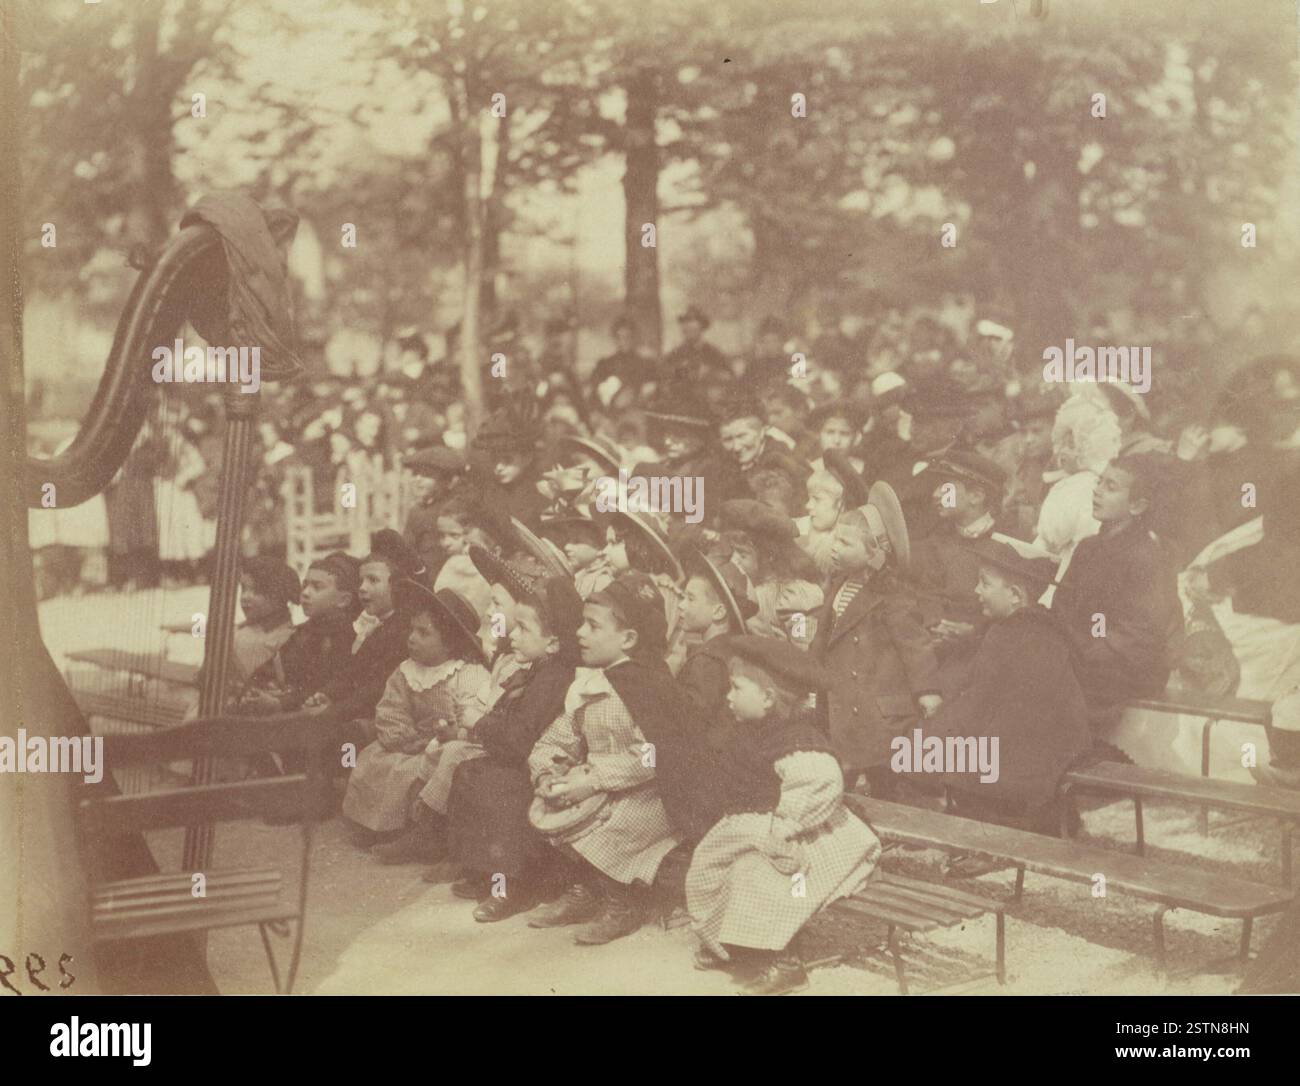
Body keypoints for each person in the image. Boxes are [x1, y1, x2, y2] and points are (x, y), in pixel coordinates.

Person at [686, 635, 882, 995]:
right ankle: (729, 942)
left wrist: (786, 825)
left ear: (768, 697)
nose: (727, 696)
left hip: (809, 835)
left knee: (763, 879)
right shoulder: (748, 731)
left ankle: (785, 961)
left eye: (735, 687)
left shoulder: (796, 740)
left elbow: (820, 783)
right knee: (710, 866)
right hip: (758, 827)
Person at [903, 539, 1092, 853]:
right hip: (1043, 738)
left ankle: (992, 827)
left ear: (1015, 596)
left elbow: (984, 704)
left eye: (985, 584)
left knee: (929, 745)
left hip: (1037, 744)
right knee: (938, 740)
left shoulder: (1016, 635)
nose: (977, 591)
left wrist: (934, 732)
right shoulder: (1025, 628)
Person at [525, 573, 682, 945]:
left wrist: (593, 780)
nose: (580, 633)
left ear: (628, 639)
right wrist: (549, 769)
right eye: (582, 623)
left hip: (650, 791)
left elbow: (652, 754)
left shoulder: (651, 687)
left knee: (617, 821)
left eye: (593, 626)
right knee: (557, 808)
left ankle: (624, 901)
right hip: (598, 783)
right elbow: (559, 736)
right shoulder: (592, 684)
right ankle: (587, 890)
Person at [444, 574, 584, 920]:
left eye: (523, 628)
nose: (513, 634)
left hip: (548, 766)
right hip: (526, 758)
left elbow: (522, 740)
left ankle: (514, 884)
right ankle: (485, 870)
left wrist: (480, 722)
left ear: (552, 643)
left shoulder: (556, 678)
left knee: (498, 787)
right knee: (470, 772)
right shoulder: (540, 668)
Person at [810, 490, 941, 795]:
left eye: (846, 543)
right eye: (836, 539)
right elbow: (825, 637)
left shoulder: (891, 594)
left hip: (876, 709)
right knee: (844, 772)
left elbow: (915, 643)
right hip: (844, 698)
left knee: (884, 779)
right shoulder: (842, 584)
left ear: (874, 552)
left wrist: (927, 691)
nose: (835, 548)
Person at [341, 584, 490, 841]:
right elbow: (391, 708)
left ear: (450, 643)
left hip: (444, 745)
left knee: (409, 773)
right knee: (374, 763)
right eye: (412, 629)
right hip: (408, 741)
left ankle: (411, 831)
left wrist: (447, 734)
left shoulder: (466, 674)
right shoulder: (405, 671)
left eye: (424, 633)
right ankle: (377, 827)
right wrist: (401, 737)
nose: (412, 637)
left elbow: (472, 715)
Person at [1051, 454, 1184, 722]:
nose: (1097, 491)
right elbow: (1062, 606)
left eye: (1111, 488)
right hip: (1085, 659)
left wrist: (1081, 654)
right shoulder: (1088, 548)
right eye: (1100, 482)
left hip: (1124, 672)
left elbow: (1140, 635)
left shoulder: (1148, 557)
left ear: (1137, 506)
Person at [909, 451, 1013, 696]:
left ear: (976, 496)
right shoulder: (936, 541)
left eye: (946, 488)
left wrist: (975, 634)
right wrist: (936, 626)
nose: (935, 495)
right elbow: (926, 595)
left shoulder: (1010, 543)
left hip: (989, 657)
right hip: (936, 652)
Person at [301, 529, 422, 725]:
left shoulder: (402, 632)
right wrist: (327, 694)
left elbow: (376, 690)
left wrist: (334, 710)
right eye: (361, 581)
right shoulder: (376, 626)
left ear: (398, 586)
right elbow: (352, 672)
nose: (362, 588)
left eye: (373, 580)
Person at [241, 551, 361, 715]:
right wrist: (255, 689)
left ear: (343, 600)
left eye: (317, 587)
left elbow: (326, 689)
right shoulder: (303, 632)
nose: (305, 592)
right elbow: (268, 669)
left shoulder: (347, 637)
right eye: (305, 585)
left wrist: (280, 702)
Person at [716, 499, 823, 648]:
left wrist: (774, 643)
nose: (734, 561)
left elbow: (804, 654)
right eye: (731, 552)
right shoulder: (740, 588)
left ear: (769, 555)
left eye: (742, 554)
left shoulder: (792, 596)